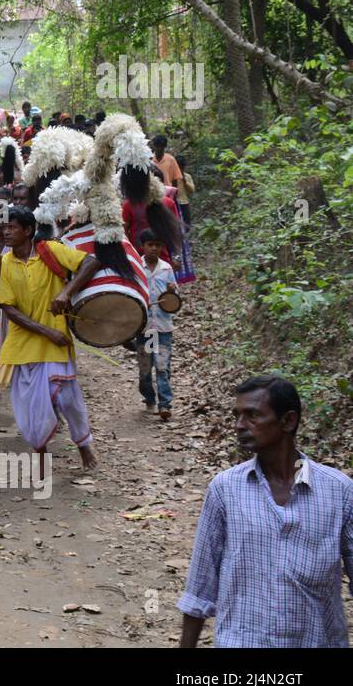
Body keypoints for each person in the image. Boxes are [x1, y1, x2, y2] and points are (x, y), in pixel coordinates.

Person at [179, 376, 353, 648]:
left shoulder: (339, 492)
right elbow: (201, 584)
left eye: (252, 415)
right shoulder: (225, 489)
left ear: (288, 421)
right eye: (236, 415)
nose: (238, 425)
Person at [0, 207, 102, 473]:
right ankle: (40, 453)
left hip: (57, 341)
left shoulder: (50, 250)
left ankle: (83, 443)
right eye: (4, 228)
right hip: (23, 345)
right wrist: (46, 331)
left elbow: (90, 262)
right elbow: (8, 308)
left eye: (12, 227)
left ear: (28, 230)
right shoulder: (3, 263)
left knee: (66, 398)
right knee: (31, 406)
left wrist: (66, 292)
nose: (6, 232)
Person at [137, 229, 177, 420]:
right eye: (150, 245)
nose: (154, 248)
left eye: (158, 245)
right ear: (142, 246)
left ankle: (165, 404)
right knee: (146, 368)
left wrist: (172, 292)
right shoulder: (137, 267)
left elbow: (174, 301)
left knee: (162, 367)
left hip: (162, 328)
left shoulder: (167, 270)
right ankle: (149, 398)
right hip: (145, 330)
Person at [174, 154, 195, 226]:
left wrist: (185, 181)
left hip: (184, 203)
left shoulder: (187, 176)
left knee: (187, 225)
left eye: (181, 167)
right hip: (173, 203)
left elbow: (192, 190)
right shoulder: (171, 176)